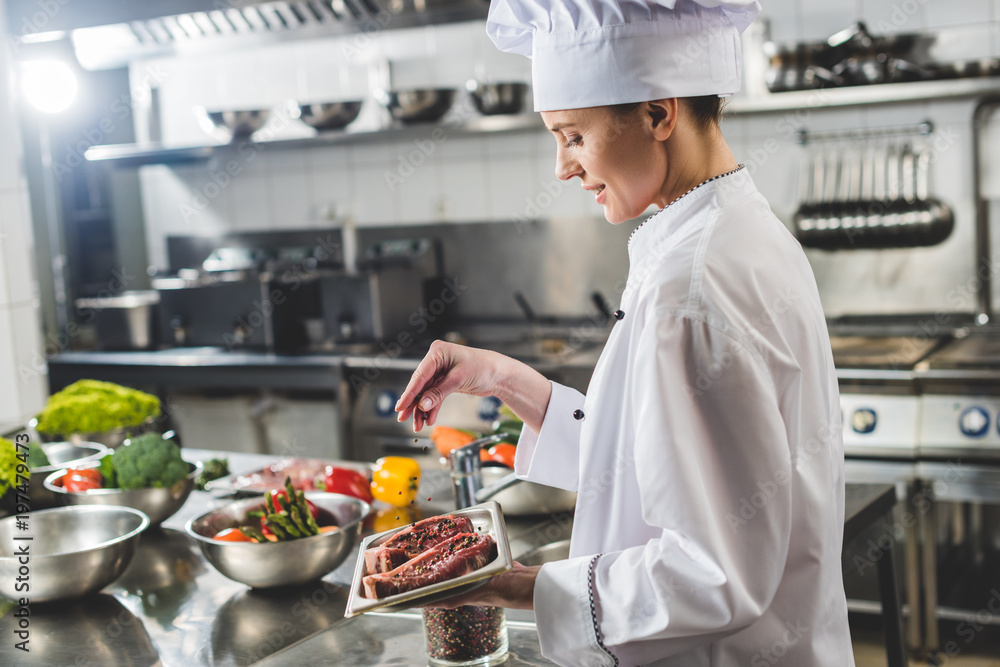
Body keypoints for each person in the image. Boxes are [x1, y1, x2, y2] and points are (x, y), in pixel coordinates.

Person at [395, 0, 856, 664]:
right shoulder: (733, 229)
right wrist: (504, 379)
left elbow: (714, 575)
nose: (562, 167)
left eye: (573, 136)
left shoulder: (691, 285)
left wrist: (508, 584)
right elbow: (660, 469)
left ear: (658, 113)